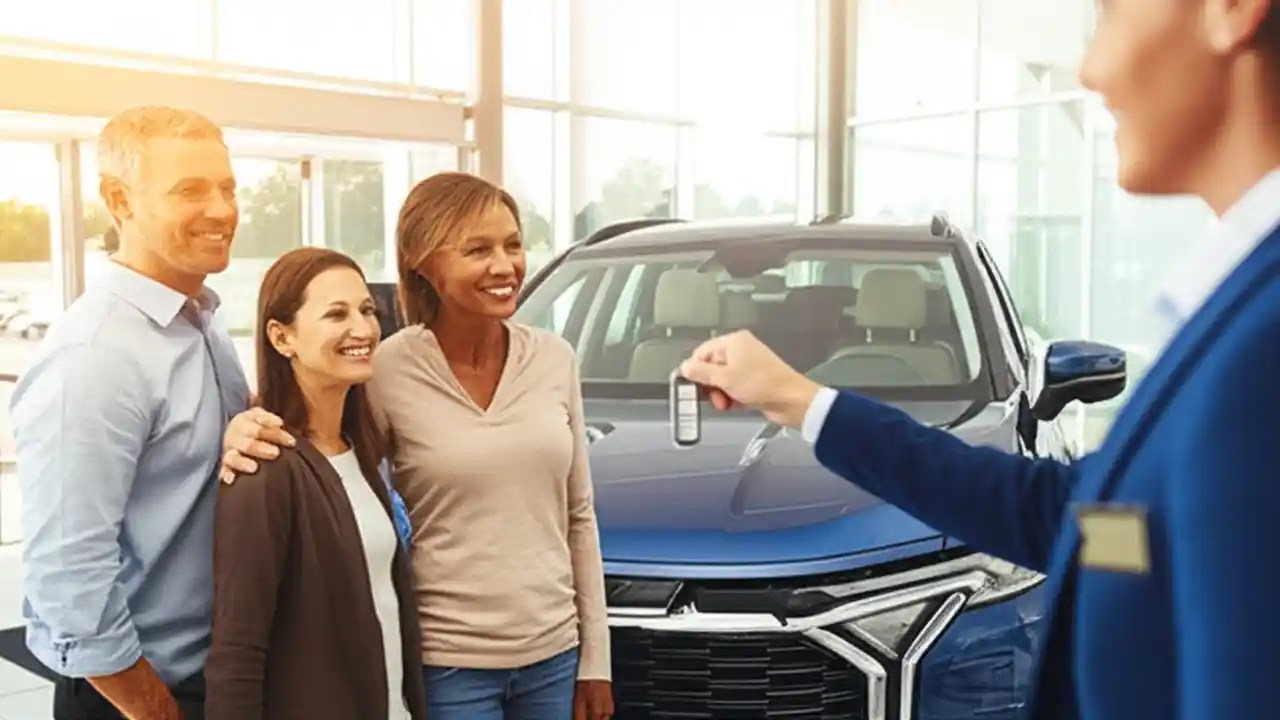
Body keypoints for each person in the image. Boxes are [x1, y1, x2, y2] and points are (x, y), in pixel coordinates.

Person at [678, 1, 1280, 719]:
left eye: (1112, 14)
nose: (1091, 69)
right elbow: (1083, 519)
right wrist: (800, 400)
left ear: (1232, 10)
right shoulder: (1237, 305)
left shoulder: (1263, 339)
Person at [220, 172, 614, 720]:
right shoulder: (382, 365)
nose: (505, 266)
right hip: (447, 666)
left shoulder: (555, 358)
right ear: (422, 261)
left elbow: (580, 514)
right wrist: (243, 428)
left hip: (554, 658)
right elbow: (312, 424)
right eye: (478, 249)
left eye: (513, 244)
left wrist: (596, 659)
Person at [9, 106, 250, 719]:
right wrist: (158, 712)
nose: (222, 209)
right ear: (119, 200)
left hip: (217, 676)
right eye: (190, 190)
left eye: (227, 187)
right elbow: (70, 582)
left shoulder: (202, 323)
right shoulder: (95, 357)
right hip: (138, 697)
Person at [204, 247, 427, 720]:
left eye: (367, 310)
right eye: (336, 314)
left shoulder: (360, 450)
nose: (364, 329)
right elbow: (237, 652)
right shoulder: (264, 467)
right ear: (282, 337)